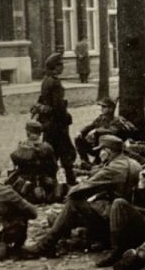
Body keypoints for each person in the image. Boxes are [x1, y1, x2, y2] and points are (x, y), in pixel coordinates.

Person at [24, 135, 141, 258]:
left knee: (74, 202)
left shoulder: (115, 168)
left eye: (100, 151)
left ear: (108, 151)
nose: (99, 154)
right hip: (128, 219)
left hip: (117, 223)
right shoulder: (131, 162)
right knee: (71, 212)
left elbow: (86, 186)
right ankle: (66, 232)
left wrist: (68, 190)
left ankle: (45, 245)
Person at [35, 53, 77, 185]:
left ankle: (48, 181)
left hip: (48, 123)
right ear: (55, 66)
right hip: (57, 124)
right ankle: (70, 180)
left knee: (50, 153)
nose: (62, 67)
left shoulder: (46, 80)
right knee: (65, 153)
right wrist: (66, 118)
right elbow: (58, 106)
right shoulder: (56, 82)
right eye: (61, 64)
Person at [7, 120, 61, 204]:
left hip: (23, 183)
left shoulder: (21, 145)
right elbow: (54, 167)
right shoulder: (46, 147)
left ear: (28, 132)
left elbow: (15, 163)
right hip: (42, 182)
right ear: (40, 133)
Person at [74, 97, 136, 166]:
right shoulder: (101, 118)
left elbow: (112, 131)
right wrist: (81, 132)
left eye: (104, 106)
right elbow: (90, 126)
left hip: (109, 149)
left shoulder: (117, 121)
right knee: (78, 139)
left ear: (111, 109)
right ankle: (85, 162)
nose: (101, 108)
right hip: (96, 146)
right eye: (101, 106)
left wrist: (96, 131)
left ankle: (100, 161)